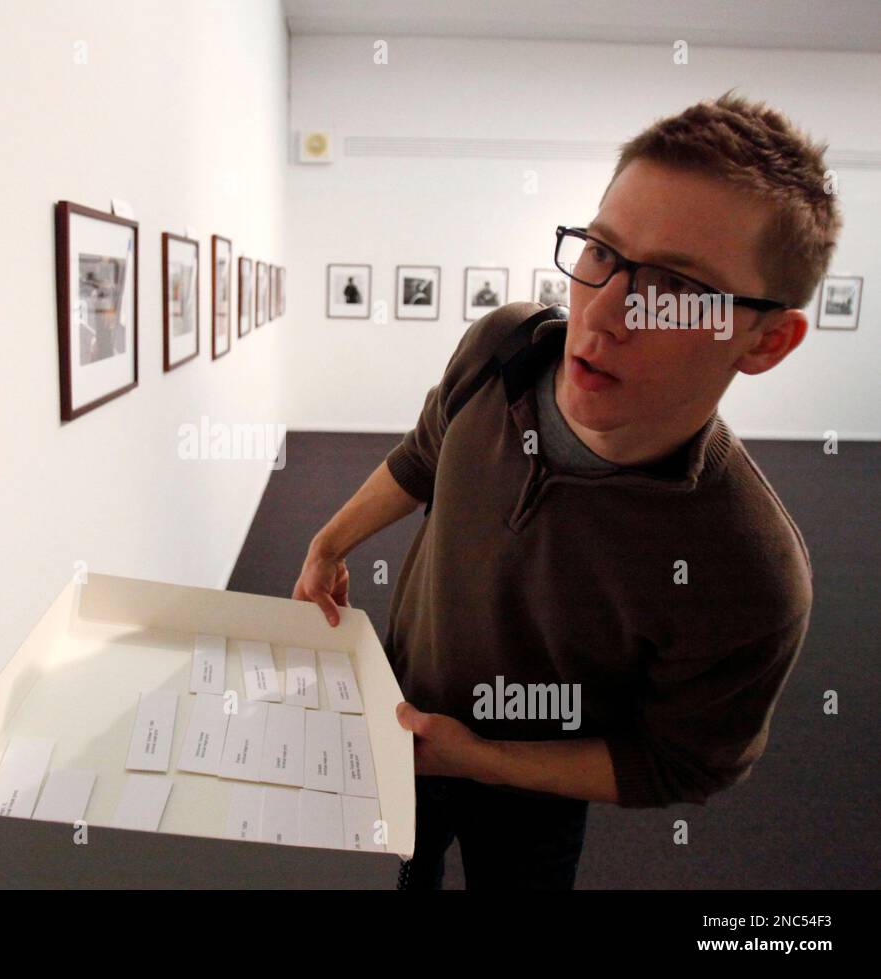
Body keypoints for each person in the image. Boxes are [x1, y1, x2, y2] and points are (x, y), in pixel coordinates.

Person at [292, 92, 838, 889]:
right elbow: (424, 455)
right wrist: (329, 541)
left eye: (676, 288)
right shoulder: (503, 345)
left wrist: (482, 756)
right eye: (602, 253)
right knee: (406, 869)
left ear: (765, 340)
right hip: (396, 710)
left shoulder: (748, 569)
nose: (606, 315)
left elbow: (678, 761)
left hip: (534, 779)